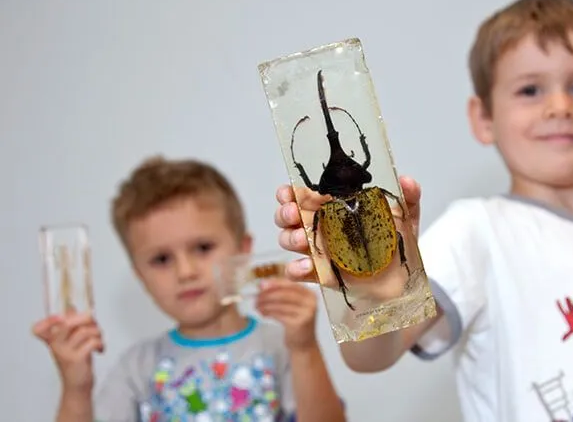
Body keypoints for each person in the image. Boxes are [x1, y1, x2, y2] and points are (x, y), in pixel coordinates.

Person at [271, 0, 573, 422]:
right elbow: (373, 357)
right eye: (530, 90)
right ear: (484, 118)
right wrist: (370, 282)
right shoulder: (477, 230)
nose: (559, 106)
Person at [32, 156, 346, 422]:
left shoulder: (283, 346)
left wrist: (305, 349)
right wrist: (76, 388)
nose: (185, 272)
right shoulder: (137, 368)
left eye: (203, 247)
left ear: (243, 250)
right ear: (140, 276)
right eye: (161, 259)